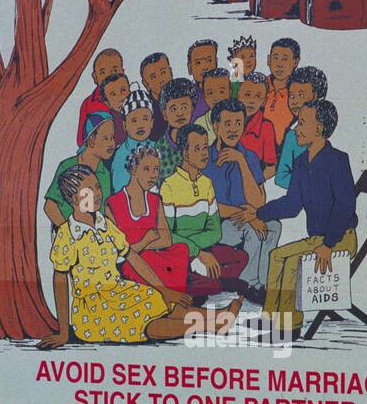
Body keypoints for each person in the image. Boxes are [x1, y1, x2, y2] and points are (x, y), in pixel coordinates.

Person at [39, 165, 240, 346]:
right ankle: (209, 325)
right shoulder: (67, 234)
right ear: (74, 199)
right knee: (148, 324)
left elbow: (132, 257)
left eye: (97, 187)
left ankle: (219, 317)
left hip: (119, 292)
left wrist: (163, 290)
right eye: (89, 191)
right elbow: (60, 281)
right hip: (94, 311)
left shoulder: (105, 225)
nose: (97, 194)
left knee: (161, 300)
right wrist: (64, 333)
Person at [241, 100, 357, 338]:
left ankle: (289, 326)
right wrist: (259, 213)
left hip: (340, 239)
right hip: (317, 239)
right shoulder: (301, 163)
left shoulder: (337, 160)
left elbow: (345, 207)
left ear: (320, 128)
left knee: (294, 261)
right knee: (277, 255)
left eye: (302, 122)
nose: (295, 128)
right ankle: (270, 318)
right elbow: (292, 205)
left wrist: (328, 244)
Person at [203, 98, 281, 305]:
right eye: (227, 124)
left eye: (238, 123)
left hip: (241, 220)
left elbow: (258, 202)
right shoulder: (205, 158)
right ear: (215, 126)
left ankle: (263, 285)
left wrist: (241, 162)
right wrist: (246, 214)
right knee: (253, 229)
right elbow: (208, 206)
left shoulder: (249, 157)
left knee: (273, 226)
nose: (233, 129)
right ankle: (249, 284)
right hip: (216, 226)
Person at [160, 124, 248, 299]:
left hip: (204, 249)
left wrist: (202, 252)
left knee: (241, 258)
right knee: (205, 283)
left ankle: (205, 278)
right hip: (180, 254)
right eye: (197, 148)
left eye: (205, 147)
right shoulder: (168, 185)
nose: (204, 153)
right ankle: (215, 283)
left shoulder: (206, 183)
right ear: (185, 153)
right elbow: (168, 235)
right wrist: (197, 252)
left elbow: (216, 231)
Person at [105, 144, 190, 291]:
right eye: (147, 169)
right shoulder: (113, 204)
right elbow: (116, 252)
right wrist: (145, 241)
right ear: (134, 170)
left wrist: (139, 247)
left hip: (152, 257)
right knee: (149, 263)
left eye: (156, 169)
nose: (153, 175)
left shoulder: (155, 200)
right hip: (131, 263)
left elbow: (166, 239)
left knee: (181, 249)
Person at [44, 111, 116, 227]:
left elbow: (104, 208)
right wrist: (69, 232)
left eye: (112, 138)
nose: (111, 143)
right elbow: (50, 206)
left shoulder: (105, 173)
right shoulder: (67, 166)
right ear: (91, 140)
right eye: (105, 138)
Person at [275, 66, 329, 189]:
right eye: (292, 96)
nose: (294, 101)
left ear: (315, 97)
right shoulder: (292, 135)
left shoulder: (328, 126)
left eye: (301, 95)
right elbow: (281, 177)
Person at [111, 84, 157, 192]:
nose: (140, 125)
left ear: (152, 123)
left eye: (145, 119)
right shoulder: (121, 154)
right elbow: (120, 190)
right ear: (125, 125)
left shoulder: (157, 147)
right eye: (134, 120)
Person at [75, 47, 124, 147]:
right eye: (102, 72)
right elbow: (81, 140)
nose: (109, 76)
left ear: (122, 72)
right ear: (95, 77)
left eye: (114, 70)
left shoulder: (131, 98)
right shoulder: (88, 103)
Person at [263, 37, 301, 151]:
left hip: (285, 151)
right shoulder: (260, 86)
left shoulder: (296, 93)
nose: (279, 64)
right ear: (269, 60)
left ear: (295, 62)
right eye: (276, 58)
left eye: (285, 59)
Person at [156, 77, 197, 182]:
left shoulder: (200, 139)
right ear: (165, 114)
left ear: (192, 109)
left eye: (184, 107)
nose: (179, 113)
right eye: (173, 109)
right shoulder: (160, 147)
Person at [237, 72, 277, 178]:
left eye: (258, 96)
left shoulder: (266, 127)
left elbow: (271, 168)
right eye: (247, 95)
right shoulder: (227, 120)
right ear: (238, 95)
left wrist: (255, 183)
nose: (251, 101)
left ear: (264, 101)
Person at [195, 66, 233, 144]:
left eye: (221, 92)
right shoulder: (199, 124)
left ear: (230, 91)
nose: (216, 98)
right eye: (210, 93)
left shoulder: (240, 118)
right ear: (204, 95)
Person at [139, 51, 172, 139]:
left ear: (171, 72)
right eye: (153, 77)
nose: (161, 80)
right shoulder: (145, 109)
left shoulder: (185, 96)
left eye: (163, 72)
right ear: (146, 84)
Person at [186, 38, 218, 120]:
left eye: (209, 60)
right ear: (190, 68)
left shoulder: (226, 90)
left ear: (216, 63)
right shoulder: (187, 95)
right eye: (198, 63)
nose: (205, 67)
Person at [101, 71, 131, 148]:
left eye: (123, 90)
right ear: (107, 103)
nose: (121, 97)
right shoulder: (110, 125)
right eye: (113, 94)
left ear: (130, 91)